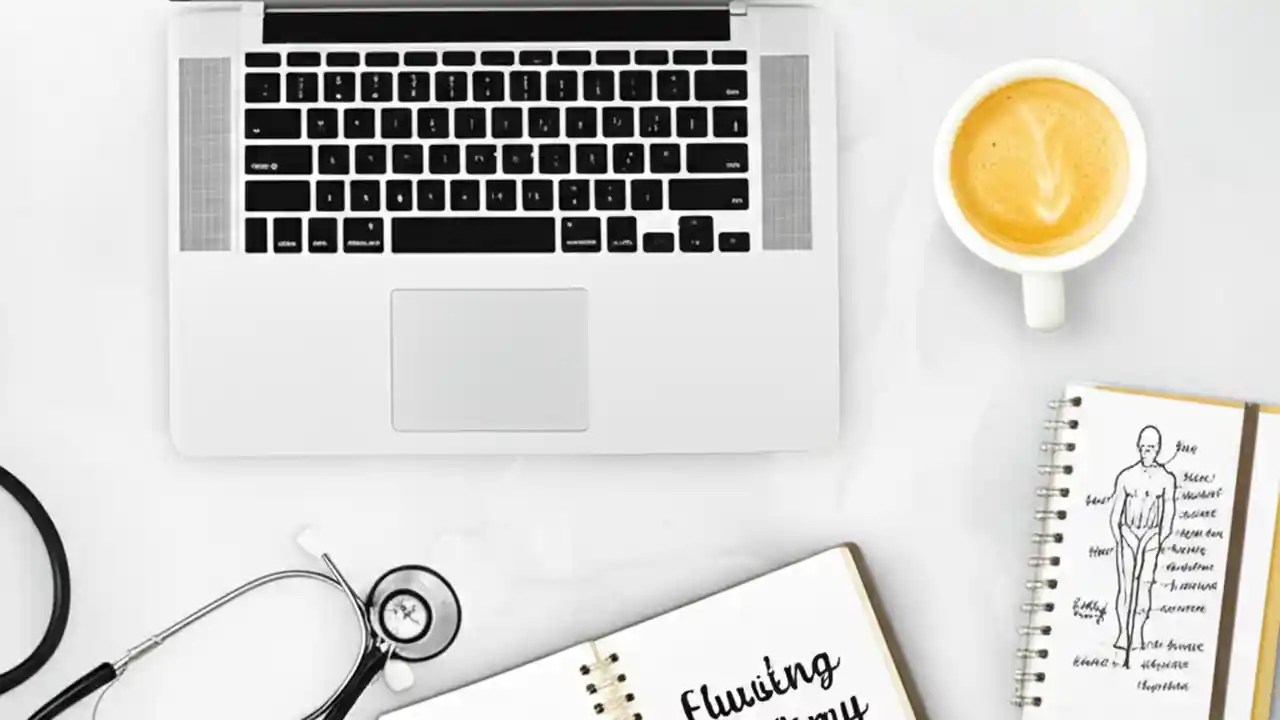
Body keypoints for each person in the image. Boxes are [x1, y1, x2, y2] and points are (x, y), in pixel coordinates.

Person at [1109, 425, 1176, 668]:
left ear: (1158, 449)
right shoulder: (1126, 476)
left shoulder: (1167, 479)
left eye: (1152, 448)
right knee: (1125, 587)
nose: (1148, 452)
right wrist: (1120, 536)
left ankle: (1136, 633)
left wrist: (1159, 539)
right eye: (1144, 447)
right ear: (1138, 447)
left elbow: (1168, 515)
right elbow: (1116, 511)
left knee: (1144, 585)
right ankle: (1122, 634)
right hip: (1128, 534)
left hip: (1151, 536)